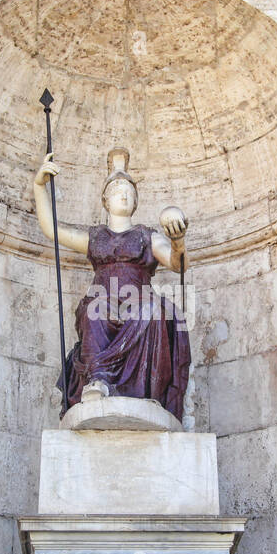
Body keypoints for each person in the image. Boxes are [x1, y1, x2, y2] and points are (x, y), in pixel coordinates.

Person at [32, 147, 191, 421]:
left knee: (152, 311)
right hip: (102, 299)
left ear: (136, 201)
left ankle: (146, 392)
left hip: (139, 299)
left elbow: (179, 264)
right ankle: (98, 381)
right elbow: (51, 230)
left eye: (130, 190)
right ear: (105, 199)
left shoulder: (147, 236)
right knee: (96, 309)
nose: (124, 193)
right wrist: (38, 186)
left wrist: (178, 241)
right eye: (118, 188)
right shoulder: (95, 237)